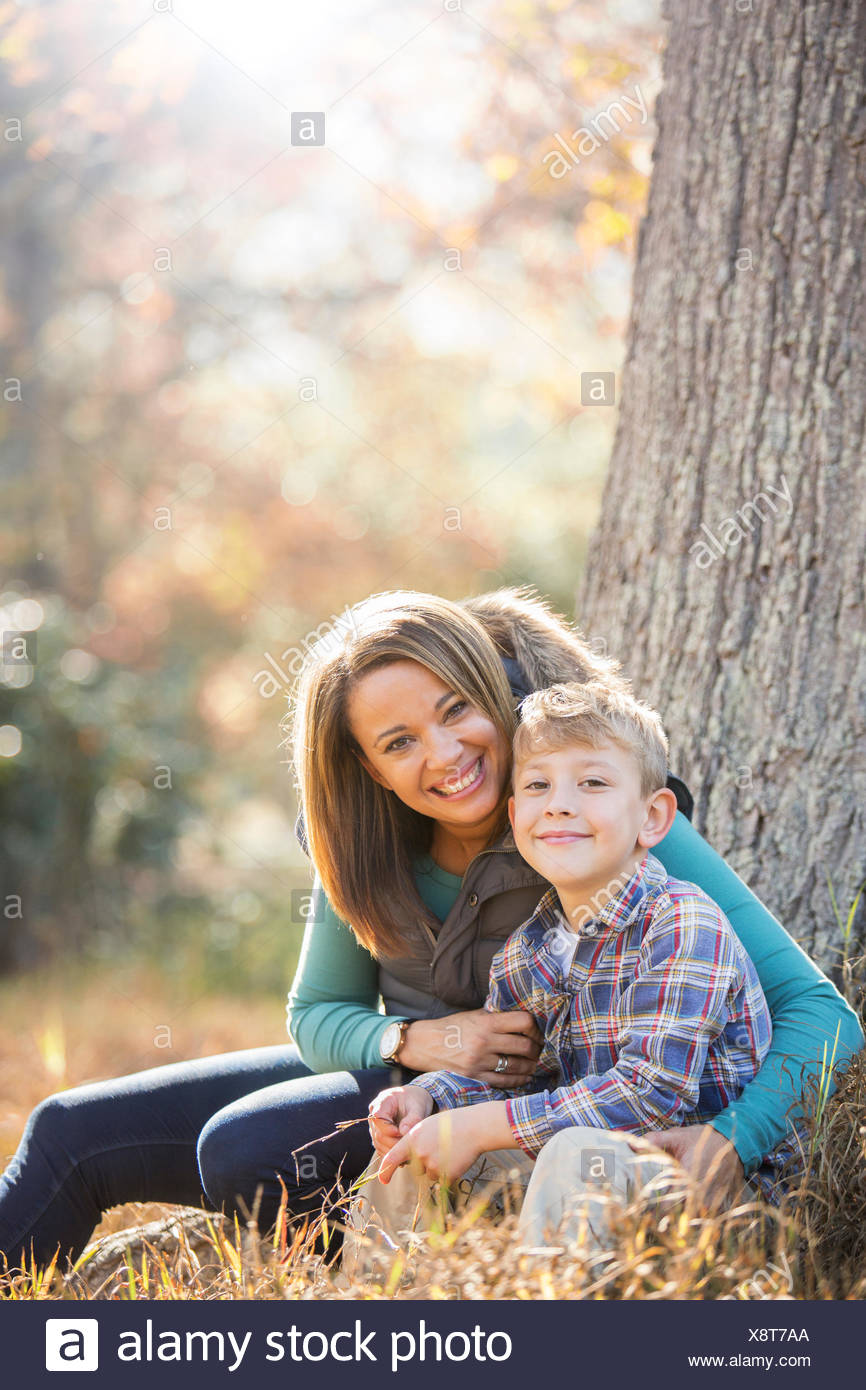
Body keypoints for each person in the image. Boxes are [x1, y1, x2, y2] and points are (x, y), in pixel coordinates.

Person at [0, 587, 860, 1276]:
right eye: (400, 741)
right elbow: (319, 1015)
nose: (444, 753)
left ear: (493, 693)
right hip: (417, 1078)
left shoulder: (584, 811)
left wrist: (732, 1139)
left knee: (245, 1151)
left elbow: (819, 1013)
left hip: (551, 1116)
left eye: (458, 711)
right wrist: (427, 1043)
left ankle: (427, 1291)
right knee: (69, 1132)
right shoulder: (368, 839)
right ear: (366, 767)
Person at [342, 679, 776, 1265]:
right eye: (539, 785)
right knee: (416, 1153)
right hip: (577, 1191)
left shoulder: (679, 921)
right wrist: (430, 1097)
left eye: (592, 783)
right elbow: (512, 1075)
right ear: (517, 816)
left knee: (576, 1153)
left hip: (707, 1198)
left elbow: (653, 1093)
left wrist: (484, 1126)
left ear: (652, 817)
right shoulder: (527, 951)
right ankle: (381, 1320)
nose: (561, 803)